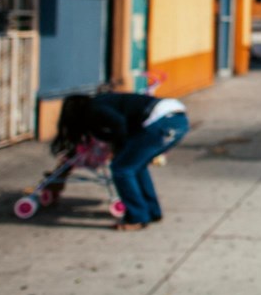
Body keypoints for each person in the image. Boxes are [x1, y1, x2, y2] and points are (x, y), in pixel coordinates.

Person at [52, 91, 189, 231]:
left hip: (161, 120)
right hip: (178, 119)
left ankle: (137, 218)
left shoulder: (94, 108)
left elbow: (119, 123)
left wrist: (119, 147)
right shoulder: (104, 102)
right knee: (136, 166)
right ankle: (152, 212)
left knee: (122, 169)